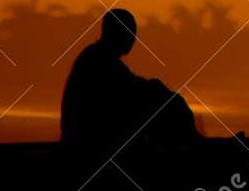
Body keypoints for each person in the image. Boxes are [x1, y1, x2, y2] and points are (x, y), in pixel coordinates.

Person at [60, 9, 199, 160]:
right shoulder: (98, 60)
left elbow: (134, 87)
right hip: (89, 144)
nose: (133, 38)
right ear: (114, 32)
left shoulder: (99, 57)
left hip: (88, 140)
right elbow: (133, 92)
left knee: (165, 100)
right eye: (129, 32)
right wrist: (161, 92)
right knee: (168, 103)